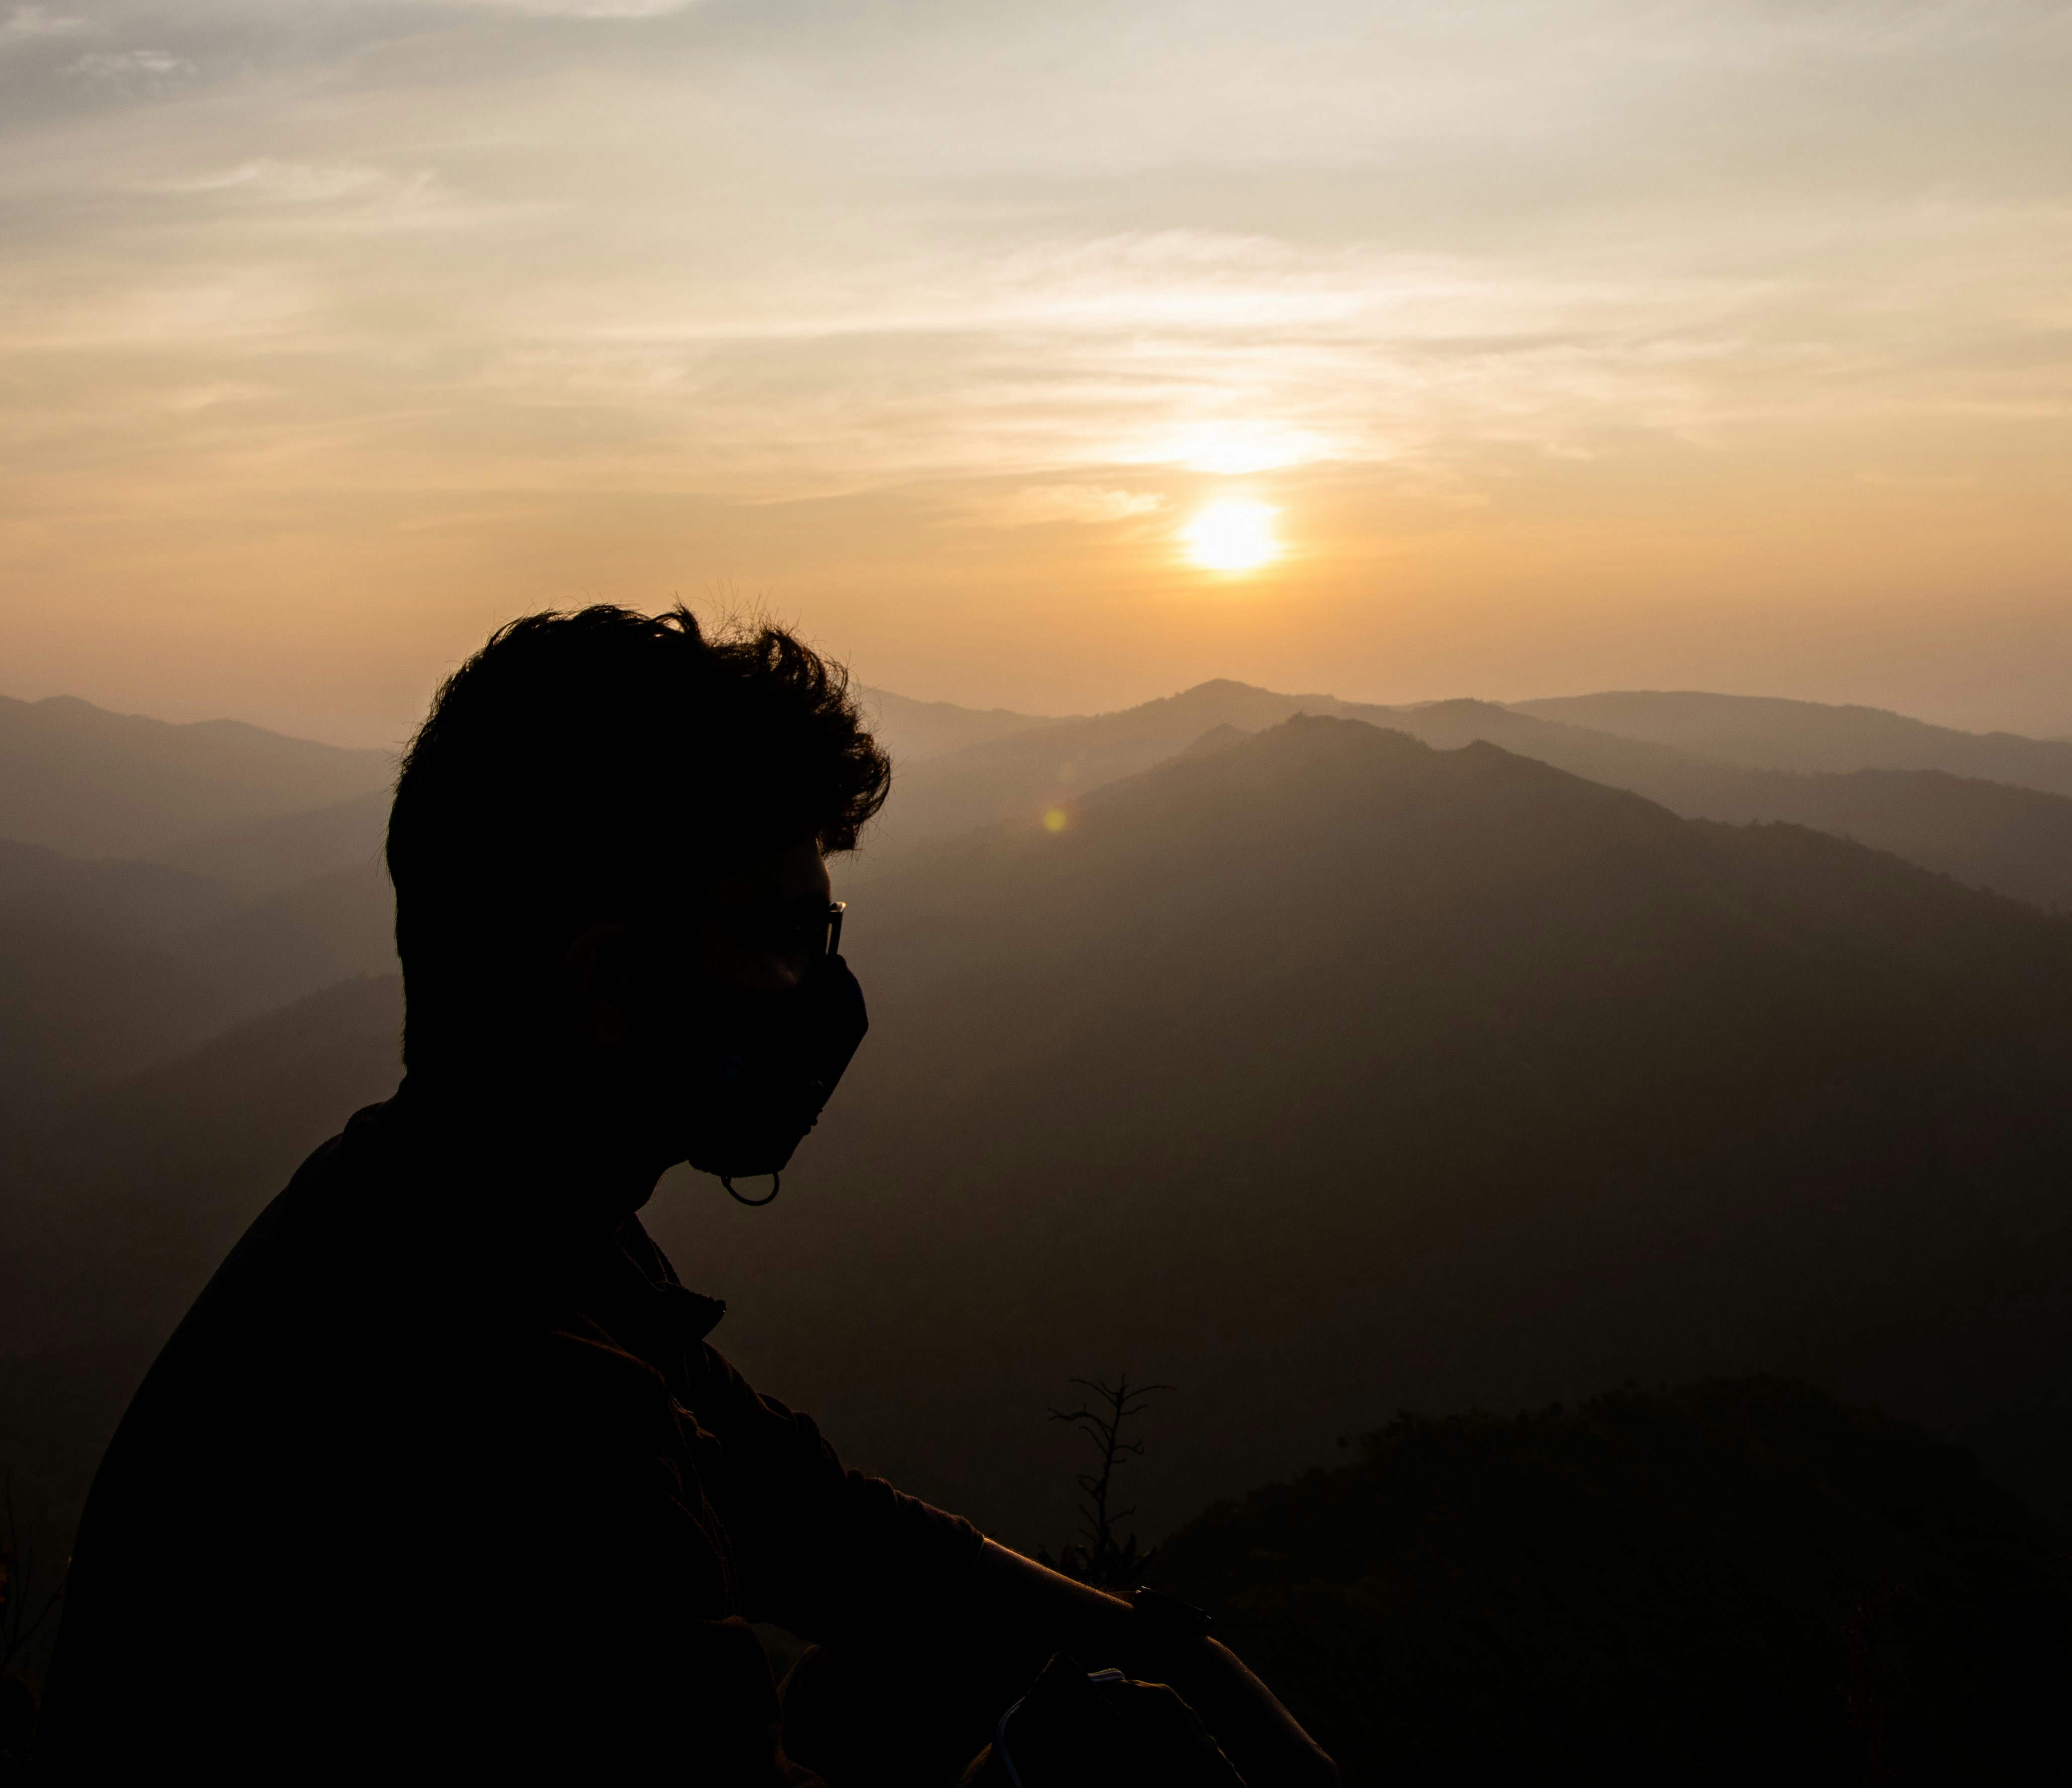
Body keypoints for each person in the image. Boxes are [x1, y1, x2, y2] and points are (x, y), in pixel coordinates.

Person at [36, 608, 1335, 1786]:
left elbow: (819, 1526)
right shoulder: (505, 1401)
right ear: (611, 982)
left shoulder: (470, 1216)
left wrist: (1176, 1657)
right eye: (784, 938)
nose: (826, 990)